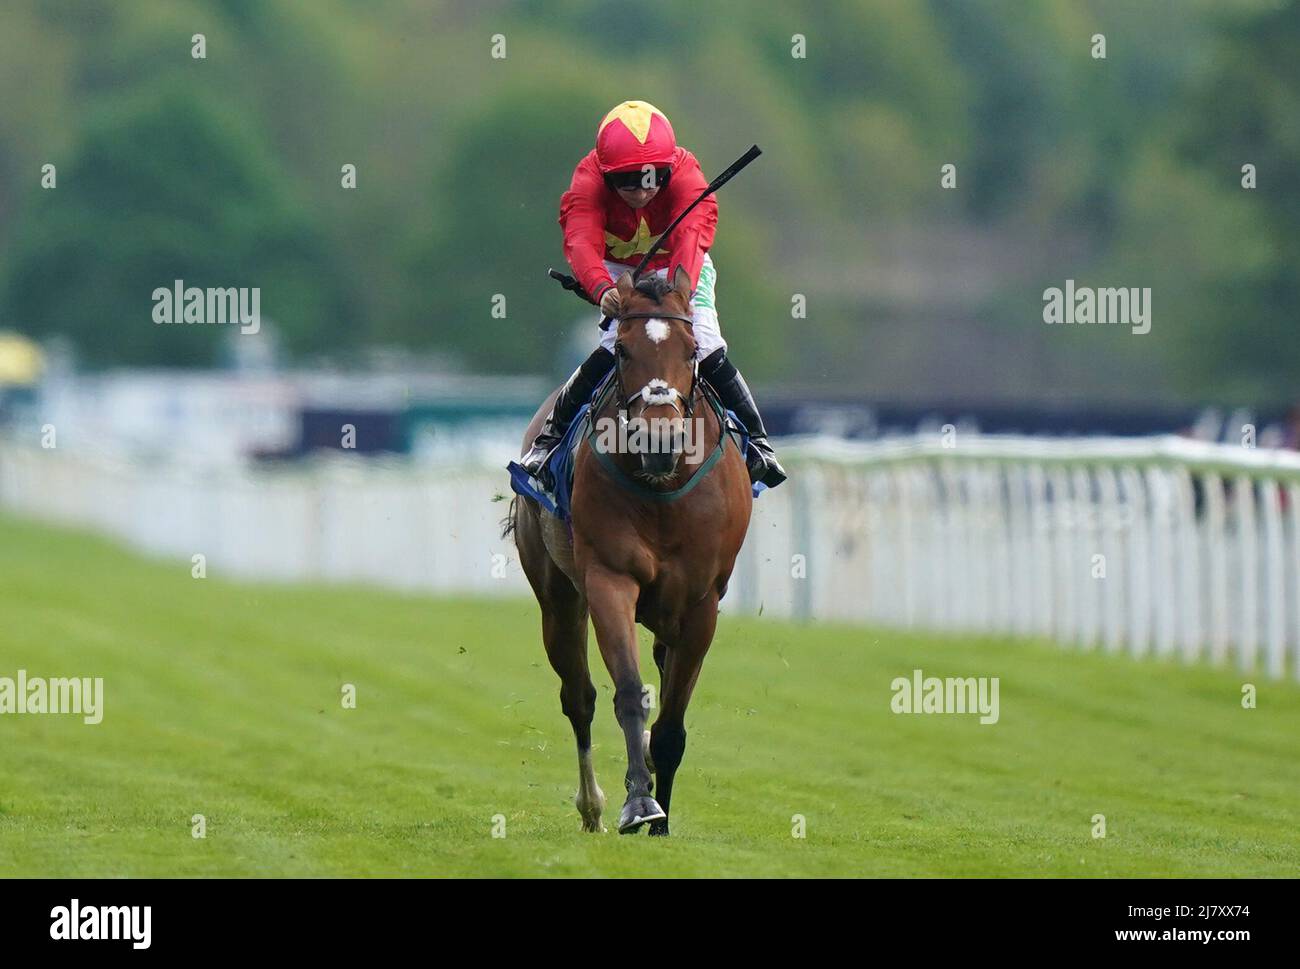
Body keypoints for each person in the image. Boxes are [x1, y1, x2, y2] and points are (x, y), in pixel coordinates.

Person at [520, 99, 786, 489]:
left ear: (669, 169)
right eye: (626, 180)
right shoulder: (587, 184)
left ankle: (759, 443)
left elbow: (692, 240)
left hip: (678, 266)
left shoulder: (687, 177)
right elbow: (580, 243)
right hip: (616, 270)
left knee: (707, 343)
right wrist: (601, 289)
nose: (642, 190)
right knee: (615, 344)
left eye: (653, 177)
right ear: (605, 173)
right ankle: (549, 440)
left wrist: (681, 292)